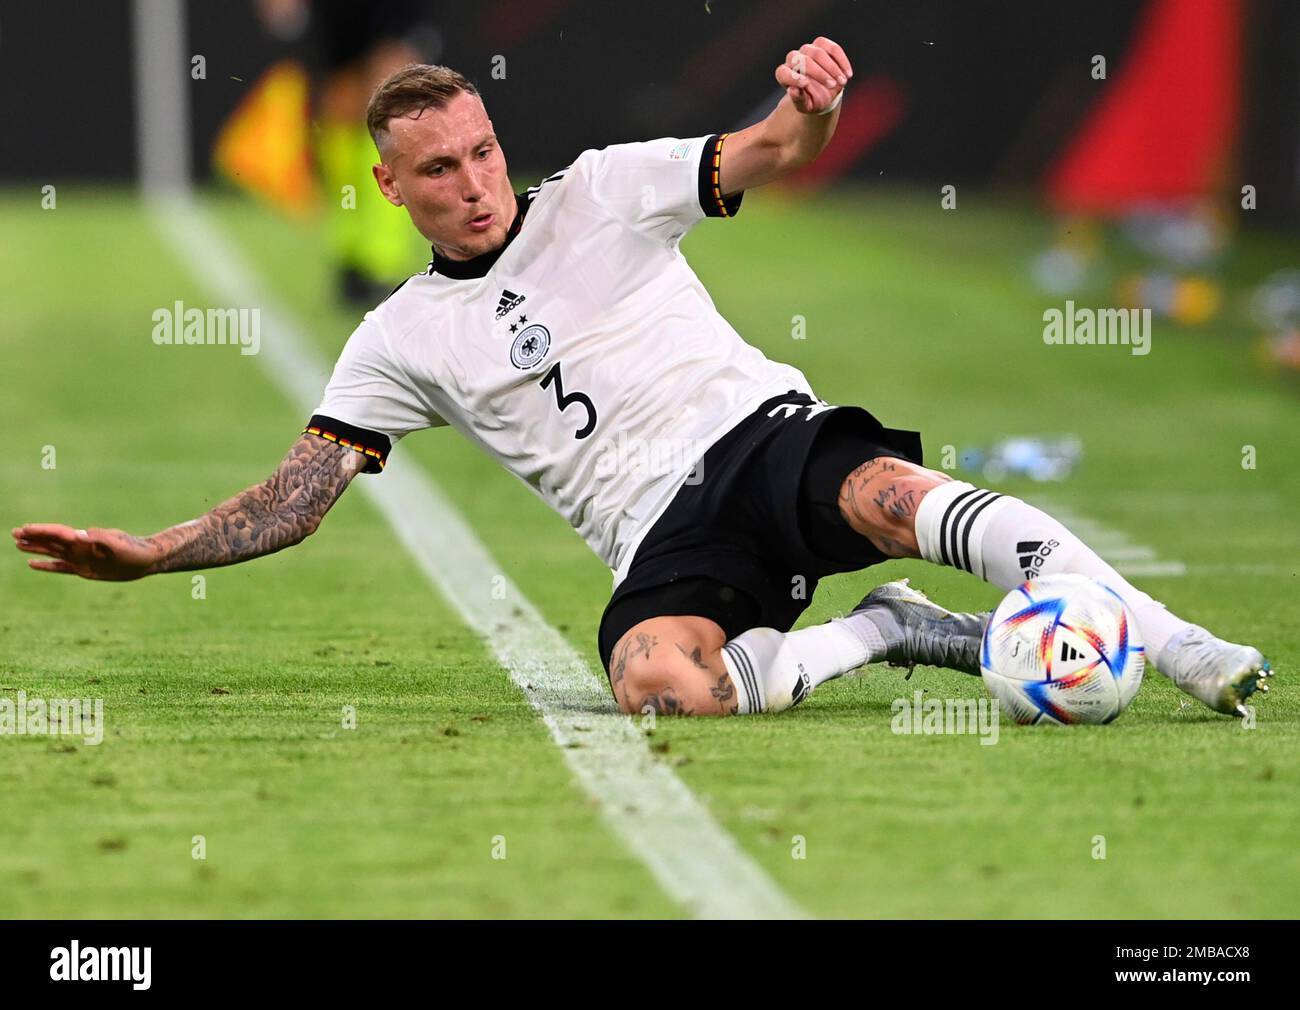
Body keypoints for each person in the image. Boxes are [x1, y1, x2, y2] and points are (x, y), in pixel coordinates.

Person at [13, 38, 1271, 718]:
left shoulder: (608, 187)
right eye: (438, 168)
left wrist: (811, 105)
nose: (474, 178)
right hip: (653, 536)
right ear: (388, 185)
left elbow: (773, 145)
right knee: (663, 686)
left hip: (754, 434)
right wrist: (152, 552)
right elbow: (296, 496)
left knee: (896, 493)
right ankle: (881, 631)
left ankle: (1181, 645)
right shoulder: (396, 340)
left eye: (482, 148)